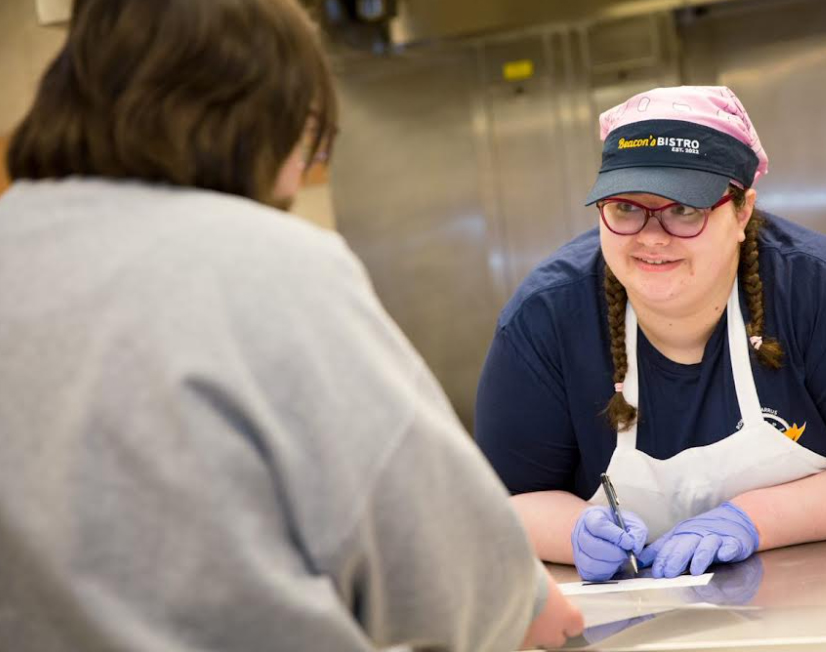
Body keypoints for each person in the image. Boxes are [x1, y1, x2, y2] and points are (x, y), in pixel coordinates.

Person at [0, 0, 583, 650]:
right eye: (311, 138)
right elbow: (456, 578)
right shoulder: (266, 264)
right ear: (262, 118)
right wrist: (523, 600)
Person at [474, 85, 826, 582]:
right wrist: (575, 534)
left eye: (686, 210)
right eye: (625, 208)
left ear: (742, 210)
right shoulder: (546, 318)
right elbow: (502, 504)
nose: (651, 237)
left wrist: (753, 520)